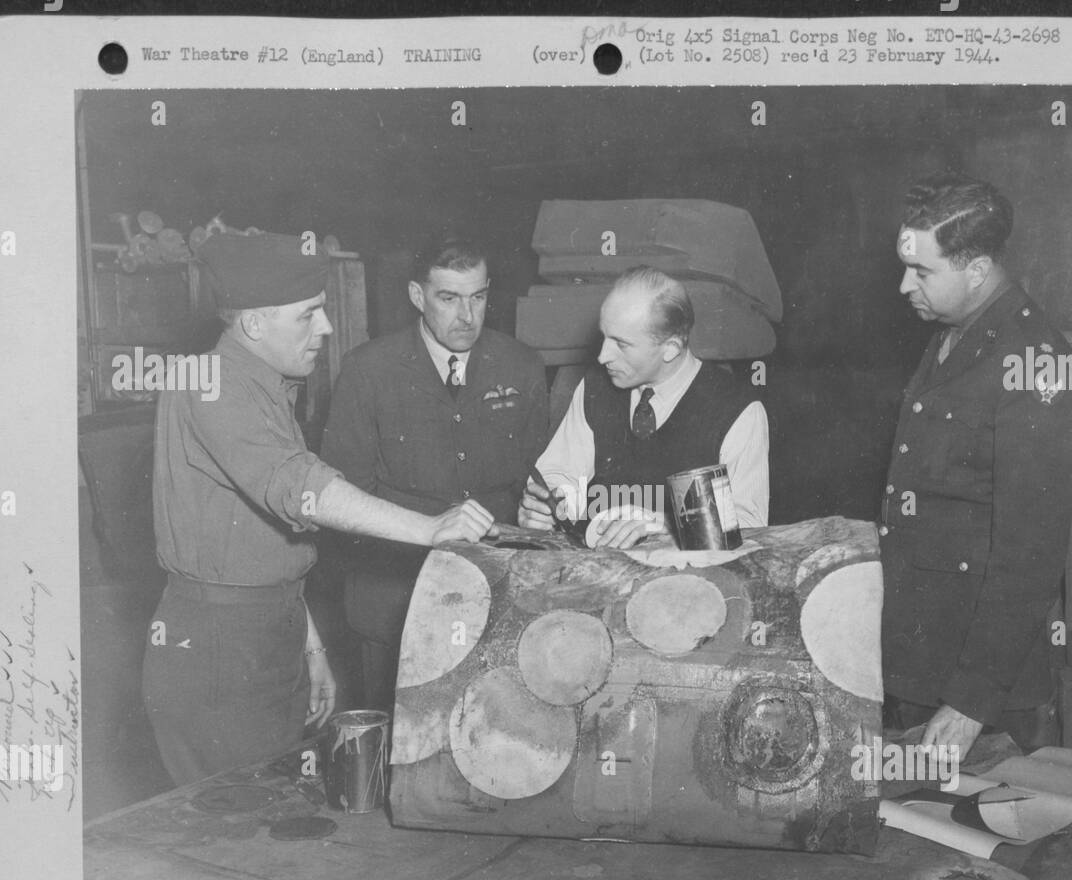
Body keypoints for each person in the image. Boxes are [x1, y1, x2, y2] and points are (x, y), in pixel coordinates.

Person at [143, 231, 495, 786]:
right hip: (220, 646)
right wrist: (428, 529)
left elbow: (268, 543)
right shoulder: (212, 385)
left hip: (266, 628)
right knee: (240, 825)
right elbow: (298, 485)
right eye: (309, 315)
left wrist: (308, 646)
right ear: (255, 324)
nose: (327, 328)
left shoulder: (261, 383)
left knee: (276, 806)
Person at [882, 173, 1072, 759]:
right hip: (923, 662)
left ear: (976, 270)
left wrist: (971, 700)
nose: (904, 285)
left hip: (982, 697)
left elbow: (1030, 551)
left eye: (922, 272)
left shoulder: (1037, 367)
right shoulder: (954, 333)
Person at [321, 236, 548, 705]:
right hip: (396, 604)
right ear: (417, 296)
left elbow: (538, 480)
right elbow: (343, 499)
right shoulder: (368, 371)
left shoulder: (521, 365)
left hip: (498, 601)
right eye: (449, 298)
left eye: (478, 297)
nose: (467, 317)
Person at [519, 265, 769, 548]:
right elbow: (561, 473)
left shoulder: (738, 410)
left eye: (621, 344)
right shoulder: (594, 387)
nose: (602, 356)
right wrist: (547, 504)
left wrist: (665, 525)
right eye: (604, 336)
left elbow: (751, 524)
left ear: (671, 348)